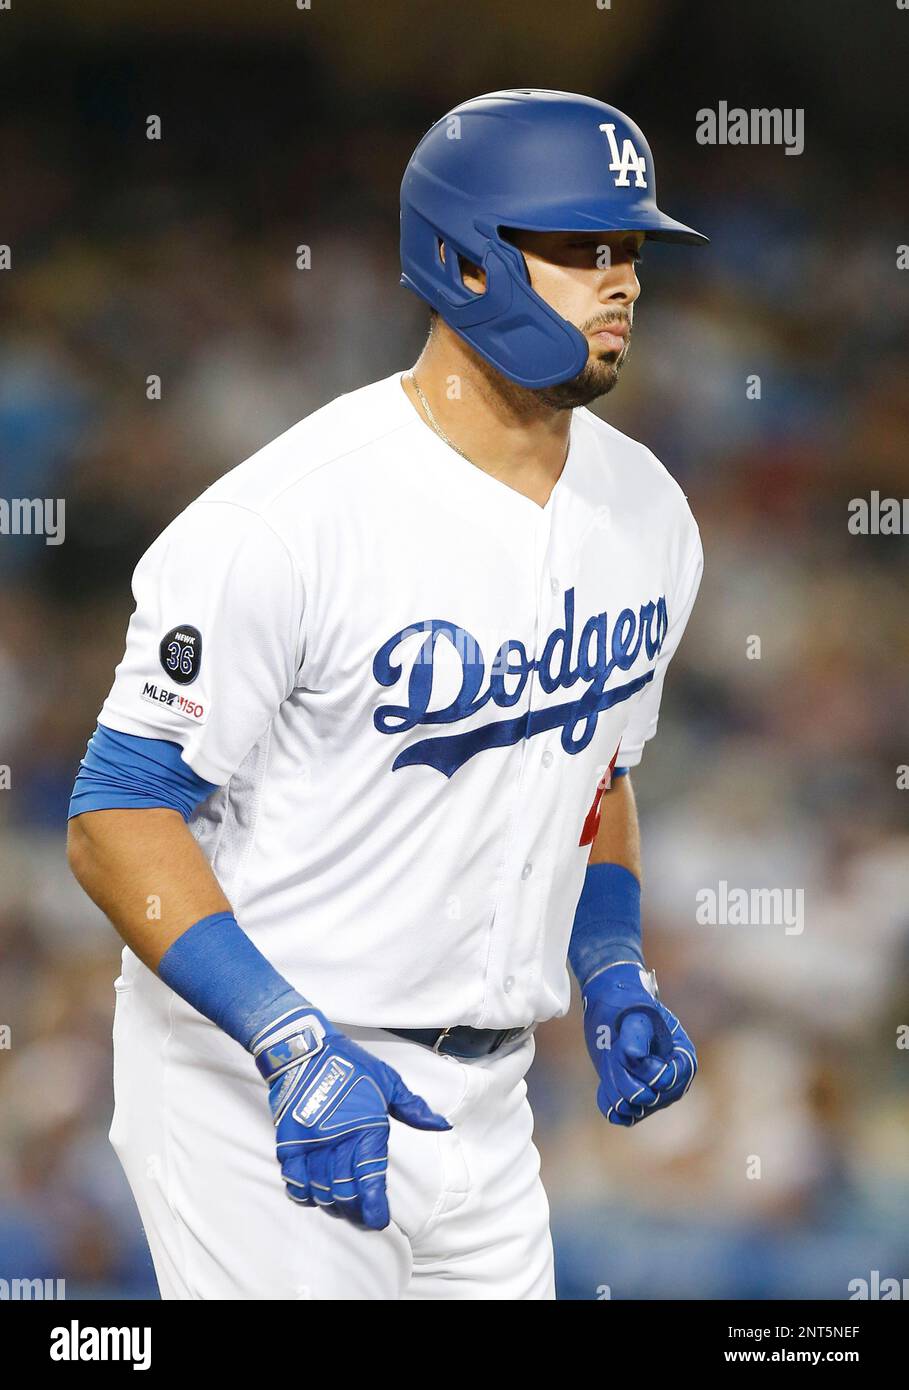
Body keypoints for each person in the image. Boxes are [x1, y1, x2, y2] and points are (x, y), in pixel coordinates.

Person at [67, 88, 706, 1301]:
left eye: (629, 248)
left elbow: (598, 774)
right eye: (579, 247)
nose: (622, 278)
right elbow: (115, 813)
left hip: (492, 1102)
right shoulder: (291, 517)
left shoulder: (651, 515)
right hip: (252, 1081)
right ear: (465, 264)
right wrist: (285, 1038)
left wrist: (613, 959)